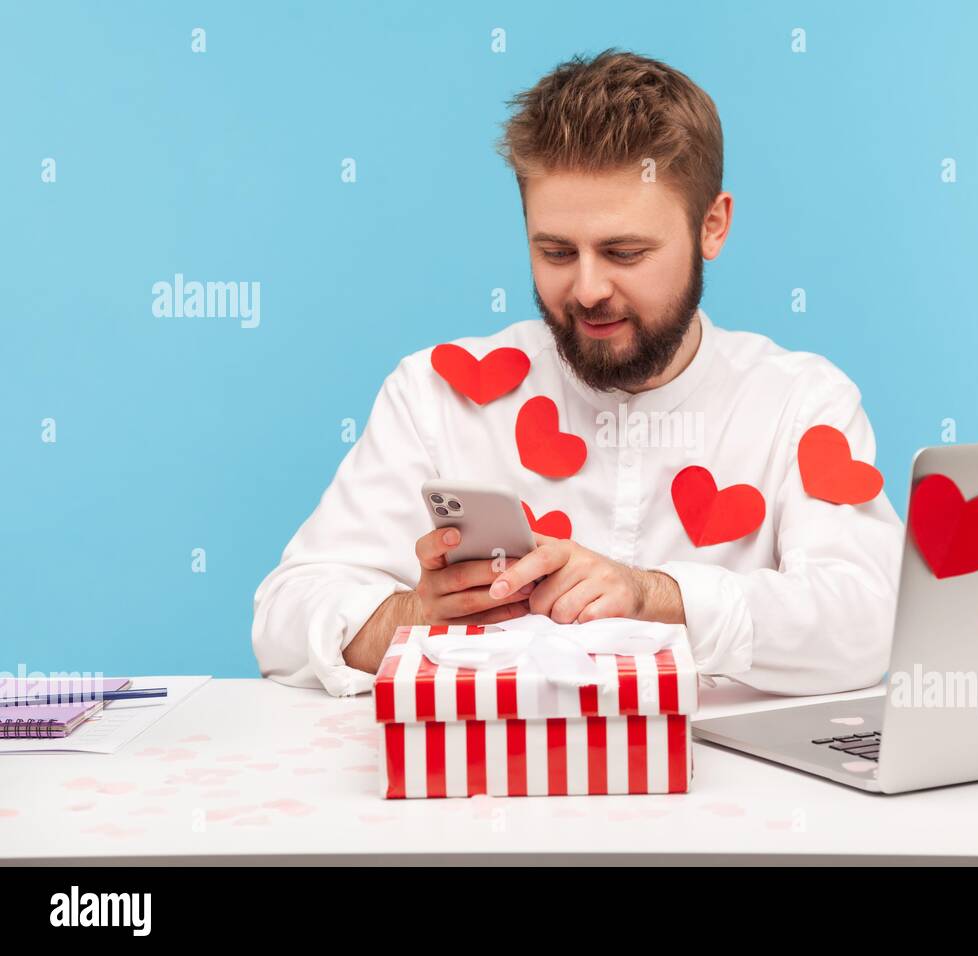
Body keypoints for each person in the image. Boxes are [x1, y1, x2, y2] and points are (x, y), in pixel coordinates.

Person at [252, 49, 904, 699]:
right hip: (489, 791)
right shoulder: (435, 393)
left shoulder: (800, 401)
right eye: (557, 251)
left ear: (713, 225)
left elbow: (868, 624)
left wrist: (655, 596)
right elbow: (283, 619)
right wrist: (418, 616)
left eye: (625, 252)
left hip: (726, 791)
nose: (588, 289)